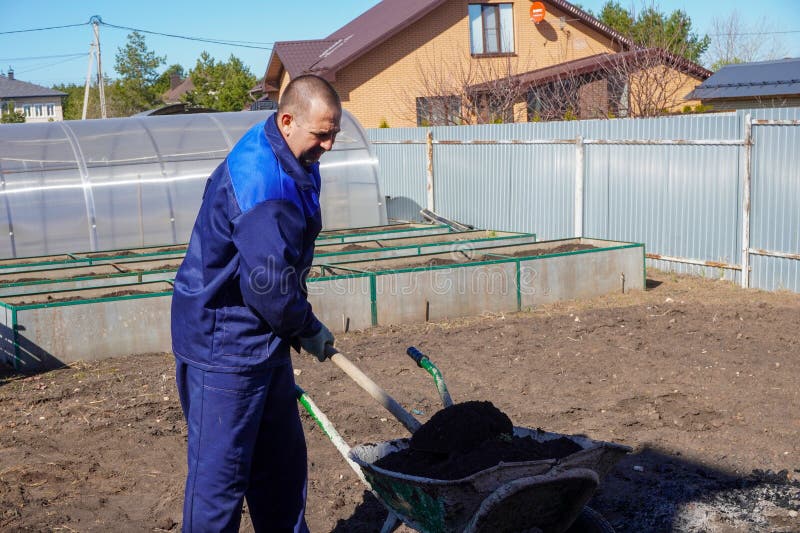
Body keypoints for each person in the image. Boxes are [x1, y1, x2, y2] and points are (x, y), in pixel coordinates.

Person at [170, 74, 341, 532]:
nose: (329, 145)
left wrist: (294, 324)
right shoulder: (262, 180)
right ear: (287, 120)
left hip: (264, 337)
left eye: (335, 133)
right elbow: (268, 286)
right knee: (220, 483)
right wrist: (306, 326)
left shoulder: (291, 151)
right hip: (223, 345)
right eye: (321, 134)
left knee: (281, 471)